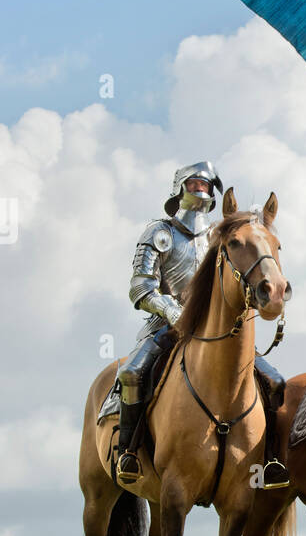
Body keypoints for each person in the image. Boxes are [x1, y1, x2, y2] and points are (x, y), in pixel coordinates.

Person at [116, 161, 287, 487]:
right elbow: (140, 287)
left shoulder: (222, 236)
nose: (200, 189)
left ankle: (270, 461)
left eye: (206, 185)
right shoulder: (160, 233)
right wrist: (172, 311)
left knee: (275, 381)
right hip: (167, 325)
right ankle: (130, 452)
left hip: (217, 329)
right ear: (179, 189)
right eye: (194, 183)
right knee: (131, 373)